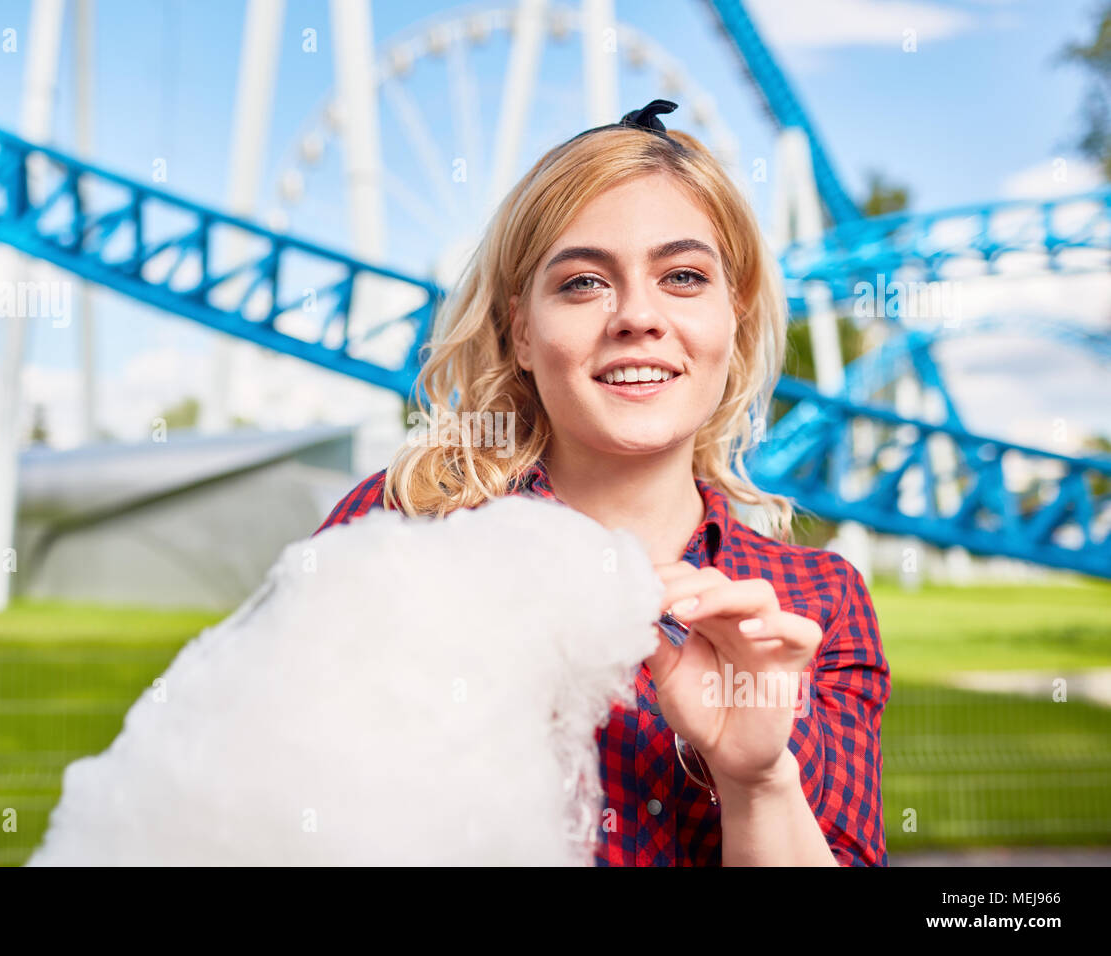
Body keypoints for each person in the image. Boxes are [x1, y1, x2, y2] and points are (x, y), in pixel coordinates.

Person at [312, 99, 889, 866]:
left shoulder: (819, 603)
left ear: (734, 315)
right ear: (520, 330)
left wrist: (757, 781)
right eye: (583, 283)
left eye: (683, 276)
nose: (636, 316)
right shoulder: (398, 532)